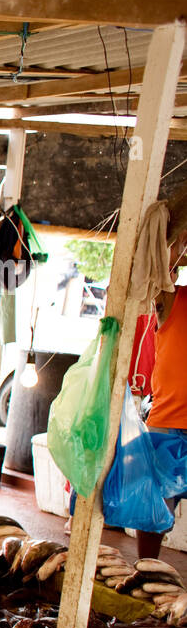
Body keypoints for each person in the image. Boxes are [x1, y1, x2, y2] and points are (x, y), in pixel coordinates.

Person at [136, 236, 187, 559]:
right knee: (154, 513)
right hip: (166, 424)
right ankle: (144, 570)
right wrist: (174, 246)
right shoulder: (172, 299)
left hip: (167, 425)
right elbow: (153, 275)